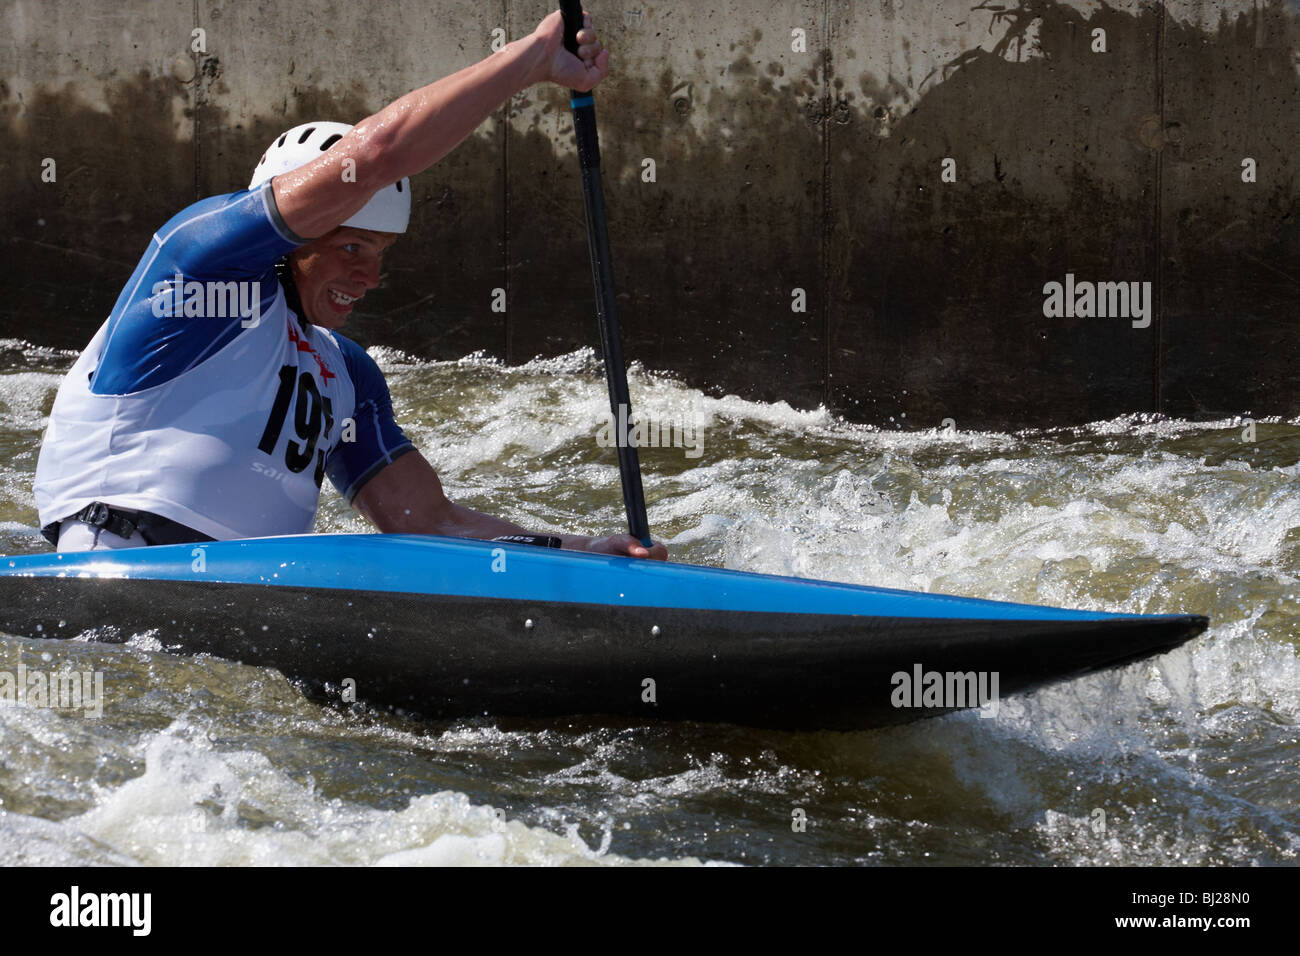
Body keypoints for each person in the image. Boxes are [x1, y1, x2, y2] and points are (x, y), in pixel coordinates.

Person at [33, 11, 667, 560]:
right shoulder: (200, 268)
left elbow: (427, 523)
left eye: (382, 252)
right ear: (286, 236)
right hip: (121, 569)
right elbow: (380, 152)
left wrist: (585, 552)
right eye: (351, 246)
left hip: (260, 602)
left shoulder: (349, 375)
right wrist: (527, 59)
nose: (370, 276)